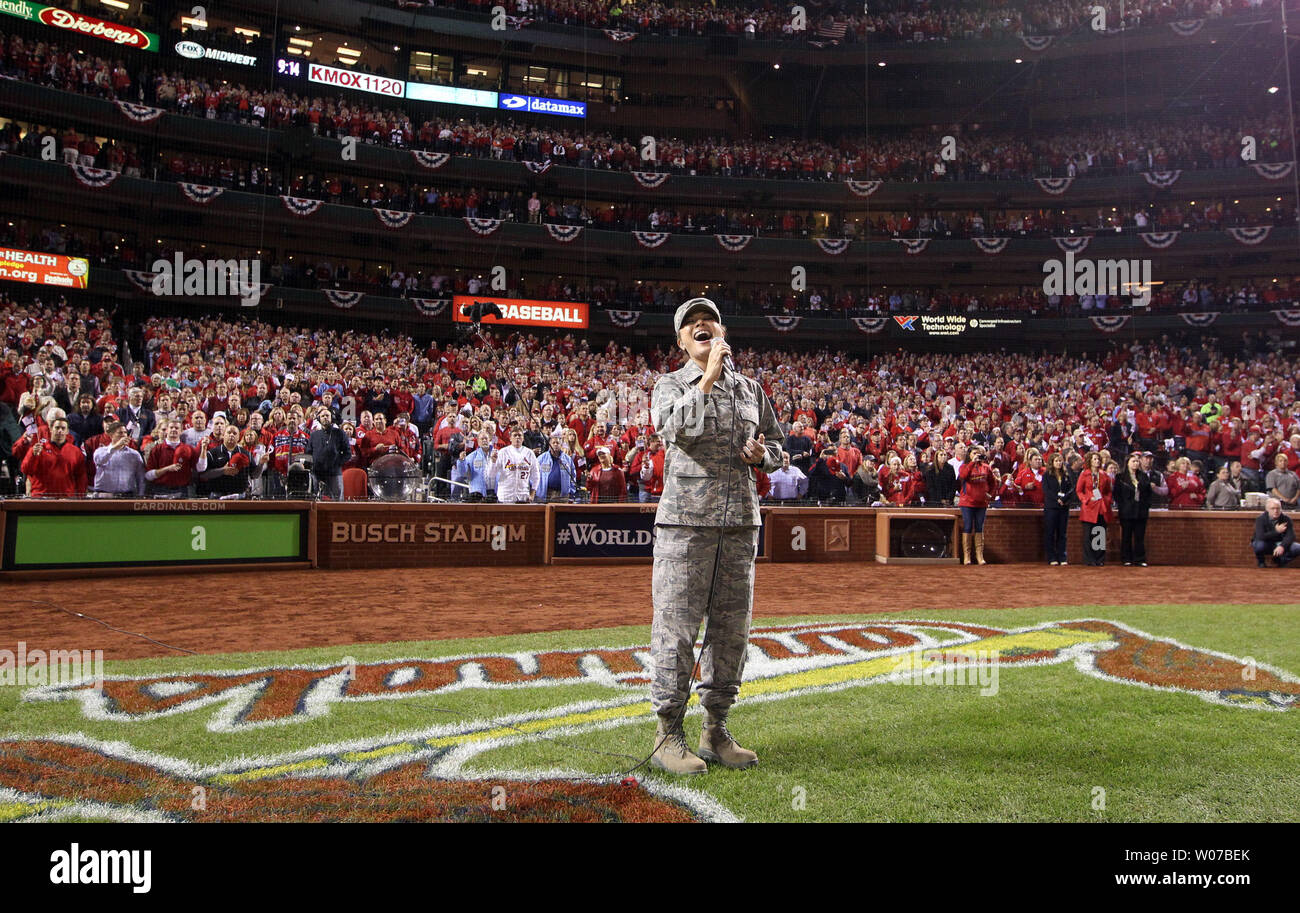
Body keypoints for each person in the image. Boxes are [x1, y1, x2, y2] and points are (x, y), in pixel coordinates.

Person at [648, 297, 782, 776]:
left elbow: (779, 445)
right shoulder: (669, 386)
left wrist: (762, 456)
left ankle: (715, 729)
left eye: (709, 320)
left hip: (740, 526)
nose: (701, 326)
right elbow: (676, 431)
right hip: (686, 528)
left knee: (731, 635)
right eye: (691, 324)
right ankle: (668, 733)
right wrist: (705, 379)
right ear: (681, 340)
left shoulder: (751, 389)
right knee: (678, 631)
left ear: (723, 330)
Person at [21, 417, 86, 497]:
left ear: (67, 431)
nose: (60, 431)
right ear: (51, 429)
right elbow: (26, 470)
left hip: (66, 499)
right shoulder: (38, 449)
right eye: (57, 427)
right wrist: (33, 455)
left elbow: (81, 477)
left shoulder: (76, 451)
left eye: (63, 428)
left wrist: (80, 497)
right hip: (41, 498)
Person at [957, 444, 999, 564]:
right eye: (973, 454)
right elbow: (963, 476)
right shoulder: (964, 466)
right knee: (968, 526)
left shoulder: (986, 467)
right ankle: (967, 556)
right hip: (967, 502)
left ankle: (980, 556)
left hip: (982, 502)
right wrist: (972, 463)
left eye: (977, 453)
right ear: (969, 455)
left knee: (979, 527)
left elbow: (993, 482)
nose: (976, 456)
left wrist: (990, 494)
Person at [1075, 451, 1114, 566]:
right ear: (1090, 461)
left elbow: (1108, 491)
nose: (1097, 461)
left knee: (1100, 533)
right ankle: (1089, 559)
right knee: (1088, 535)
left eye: (1098, 459)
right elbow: (1079, 491)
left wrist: (1106, 500)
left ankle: (1099, 559)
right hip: (1089, 508)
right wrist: (1086, 499)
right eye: (1094, 459)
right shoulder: (1084, 474)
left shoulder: (1104, 475)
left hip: (1101, 507)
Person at [1114, 451, 1152, 567]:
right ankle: (1126, 558)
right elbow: (1117, 494)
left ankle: (1140, 559)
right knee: (1126, 536)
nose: (1135, 464)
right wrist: (1123, 505)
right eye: (1133, 461)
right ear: (1128, 463)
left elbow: (1148, 494)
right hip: (1126, 511)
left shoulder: (1144, 476)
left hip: (1140, 511)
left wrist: (1145, 506)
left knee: (1139, 536)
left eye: (1137, 461)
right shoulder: (1120, 477)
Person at [91, 420, 144, 497]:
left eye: (125, 432)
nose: (123, 435)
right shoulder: (100, 451)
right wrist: (115, 447)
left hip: (127, 496)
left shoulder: (134, 454)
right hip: (104, 496)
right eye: (120, 433)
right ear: (111, 435)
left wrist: (141, 495)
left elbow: (140, 477)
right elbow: (100, 460)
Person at [308, 406, 351, 500]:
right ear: (319, 419)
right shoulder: (314, 435)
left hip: (335, 473)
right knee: (316, 500)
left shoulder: (340, 433)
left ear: (332, 418)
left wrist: (336, 463)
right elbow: (308, 453)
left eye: (327, 415)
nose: (325, 417)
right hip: (317, 473)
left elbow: (348, 453)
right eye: (322, 416)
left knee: (338, 500)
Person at [489, 426, 540, 504]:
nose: (517, 438)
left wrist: (532, 494)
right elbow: (491, 475)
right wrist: (493, 462)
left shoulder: (529, 453)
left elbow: (536, 476)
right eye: (515, 435)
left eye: (519, 435)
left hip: (523, 496)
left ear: (523, 438)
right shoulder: (503, 452)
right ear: (510, 438)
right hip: (505, 496)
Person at [1252, 498, 1300, 567]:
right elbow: (1260, 536)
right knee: (1259, 546)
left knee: (1297, 548)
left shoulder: (1286, 518)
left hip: (1279, 542)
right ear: (1267, 510)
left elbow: (1291, 536)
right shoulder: (1260, 519)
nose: (1276, 511)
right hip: (1266, 543)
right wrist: (1277, 531)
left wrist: (1282, 546)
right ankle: (1261, 562)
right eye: (1273, 508)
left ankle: (1281, 560)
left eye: (1278, 508)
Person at [1042, 452, 1071, 565]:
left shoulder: (1066, 475)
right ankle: (1051, 557)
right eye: (1056, 461)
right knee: (1050, 532)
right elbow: (1046, 490)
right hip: (1051, 507)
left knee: (1062, 533)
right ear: (1052, 462)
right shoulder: (1047, 475)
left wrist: (1064, 500)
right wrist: (1056, 498)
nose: (1059, 463)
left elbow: (1070, 489)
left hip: (1063, 507)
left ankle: (1062, 557)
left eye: (1060, 461)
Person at [534, 433, 577, 501]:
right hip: (545, 494)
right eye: (553, 443)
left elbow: (573, 476)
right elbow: (534, 475)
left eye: (557, 443)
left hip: (562, 494)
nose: (555, 445)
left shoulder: (567, 459)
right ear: (549, 445)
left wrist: (571, 491)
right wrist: (535, 490)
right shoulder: (541, 458)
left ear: (561, 445)